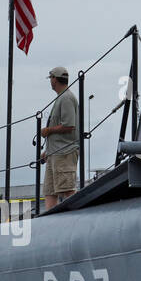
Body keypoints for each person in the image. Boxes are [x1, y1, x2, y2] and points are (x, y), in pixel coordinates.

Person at [40, 66, 79, 209]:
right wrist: (48, 150)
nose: (50, 81)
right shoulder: (62, 98)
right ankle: (50, 222)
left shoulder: (67, 98)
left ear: (55, 79)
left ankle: (76, 219)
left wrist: (47, 131)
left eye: (51, 78)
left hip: (64, 153)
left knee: (67, 190)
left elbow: (69, 125)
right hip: (55, 153)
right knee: (50, 191)